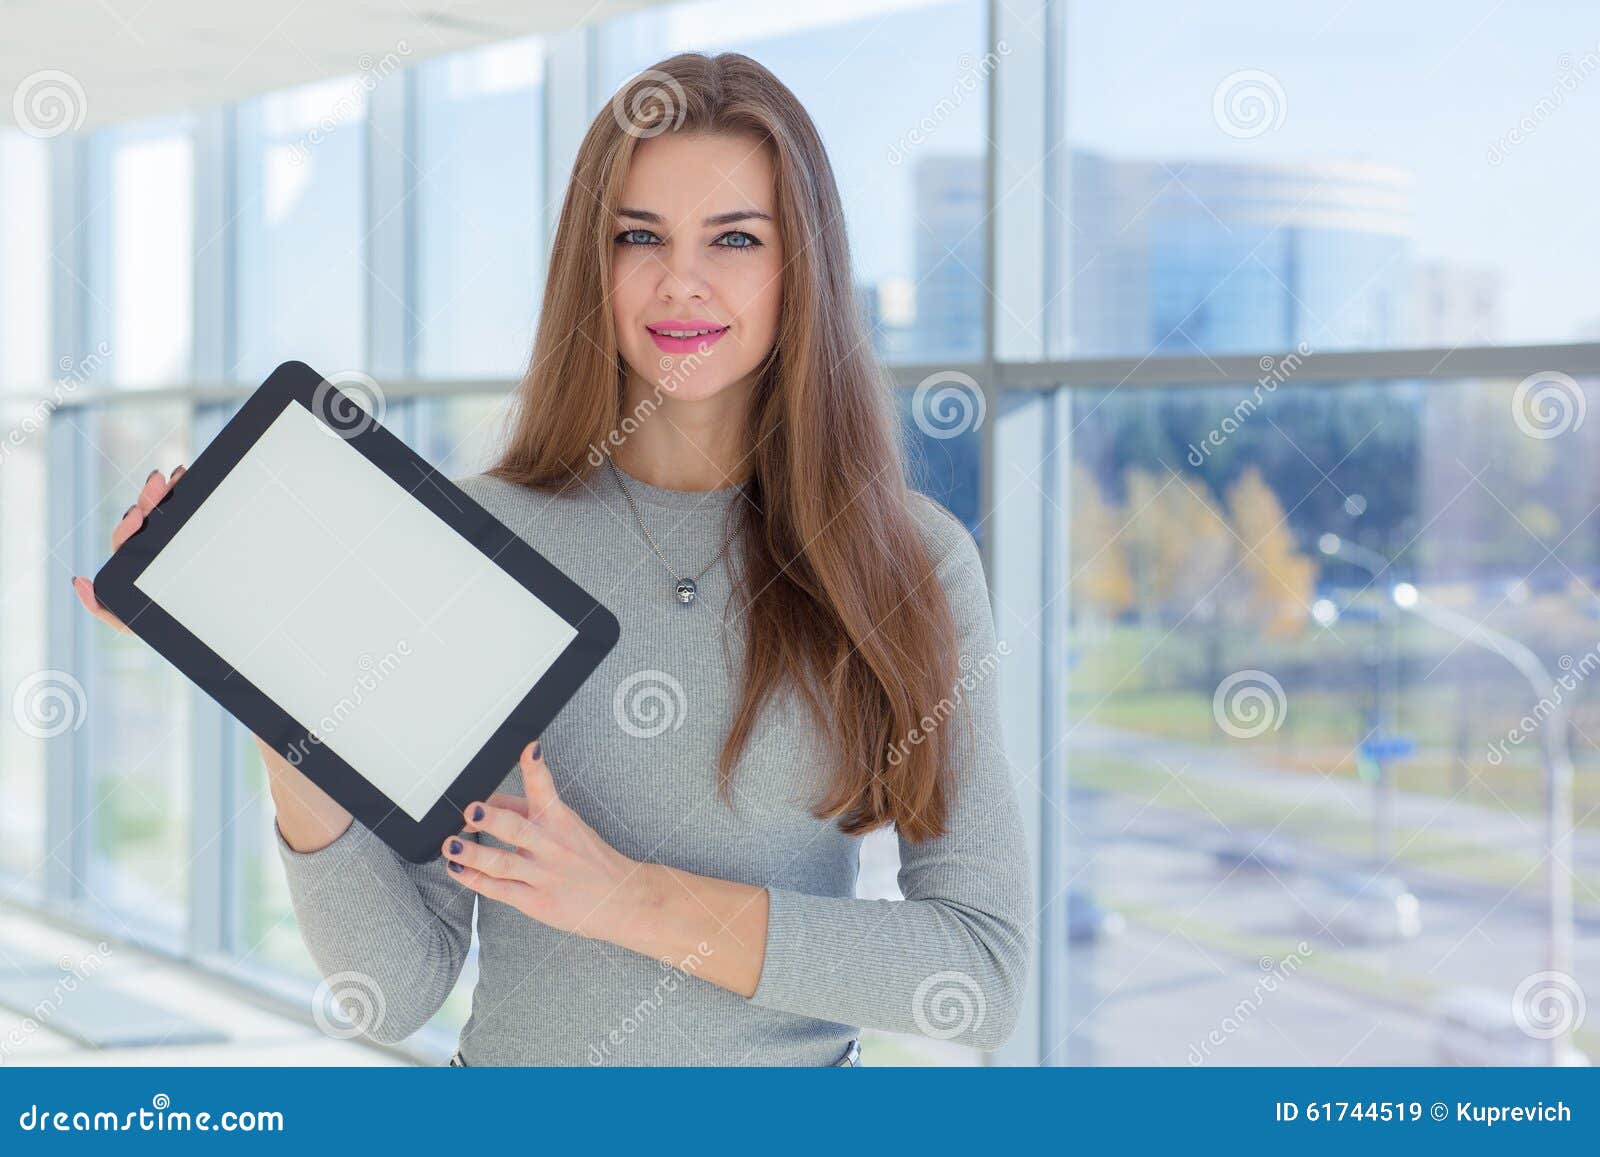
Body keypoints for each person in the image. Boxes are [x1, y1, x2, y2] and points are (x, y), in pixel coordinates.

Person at [75, 50, 1033, 1067]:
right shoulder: (474, 540)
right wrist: (276, 702)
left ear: (801, 265)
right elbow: (394, 988)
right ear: (593, 261)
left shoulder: (904, 559)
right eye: (638, 236)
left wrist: (632, 900)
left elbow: (979, 971)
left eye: (736, 237)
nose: (681, 280)